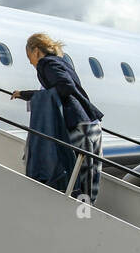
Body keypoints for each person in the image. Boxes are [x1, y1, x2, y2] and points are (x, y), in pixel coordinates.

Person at [10, 33, 105, 201]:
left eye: (29, 56)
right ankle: (84, 212)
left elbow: (64, 86)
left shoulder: (47, 64)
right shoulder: (62, 63)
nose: (30, 61)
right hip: (89, 123)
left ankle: (80, 214)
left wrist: (29, 95)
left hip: (78, 124)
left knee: (76, 175)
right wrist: (25, 95)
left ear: (37, 51)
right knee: (88, 177)